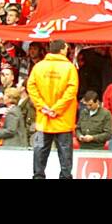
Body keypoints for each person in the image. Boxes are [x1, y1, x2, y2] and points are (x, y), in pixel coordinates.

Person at [25, 40, 79, 178]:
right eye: (66, 48)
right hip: (63, 119)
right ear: (62, 49)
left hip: (44, 119)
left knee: (40, 151)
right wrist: (57, 109)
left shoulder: (39, 66)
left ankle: (38, 176)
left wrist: (43, 107)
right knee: (65, 153)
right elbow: (71, 91)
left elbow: (31, 87)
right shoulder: (69, 68)